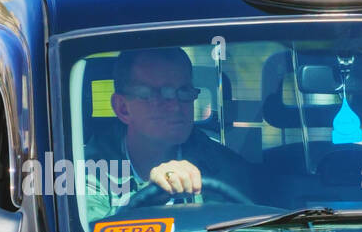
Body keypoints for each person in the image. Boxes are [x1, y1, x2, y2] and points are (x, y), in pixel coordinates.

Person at [82, 47, 253, 223]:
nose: (176, 107)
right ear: (123, 108)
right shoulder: (87, 170)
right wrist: (146, 199)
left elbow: (255, 231)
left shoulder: (223, 165)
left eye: (184, 91)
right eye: (158, 94)